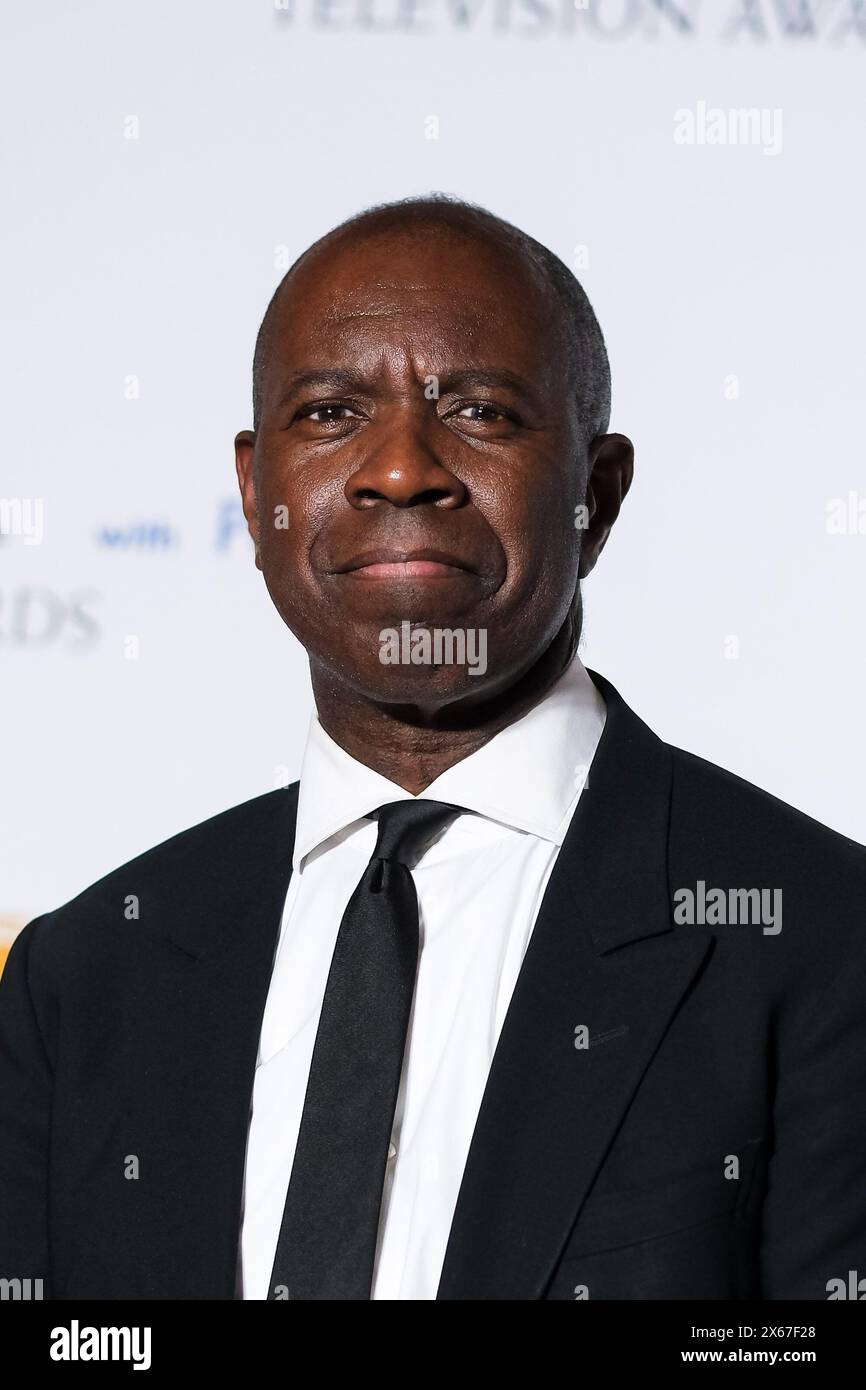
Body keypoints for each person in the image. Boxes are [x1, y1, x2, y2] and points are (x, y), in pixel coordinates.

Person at [2, 194, 865, 1301]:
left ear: (595, 497)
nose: (400, 469)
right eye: (327, 413)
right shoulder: (85, 978)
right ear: (254, 490)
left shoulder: (819, 940)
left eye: (481, 412)